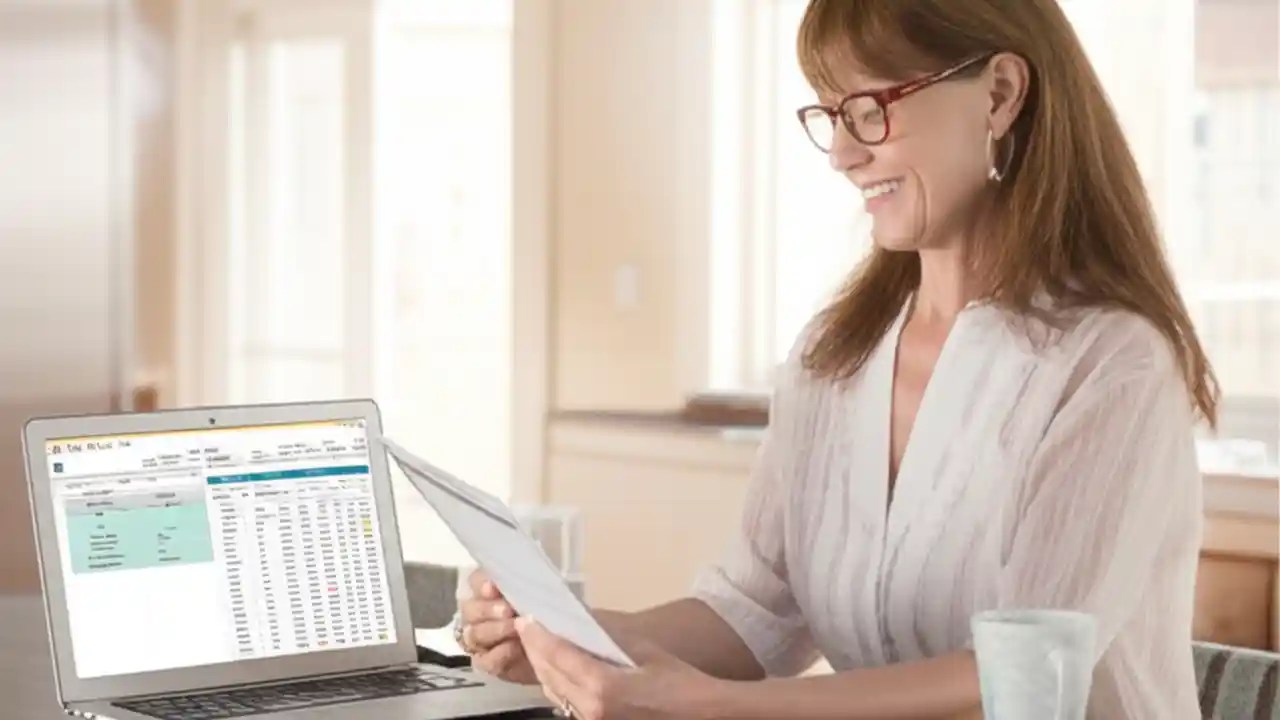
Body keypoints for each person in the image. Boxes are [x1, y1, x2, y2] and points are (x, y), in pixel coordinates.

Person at [454, 0, 1218, 717]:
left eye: (870, 110)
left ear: (1000, 94)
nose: (844, 155)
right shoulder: (833, 358)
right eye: (832, 114)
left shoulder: (1112, 365)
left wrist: (710, 707)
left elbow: (1019, 674)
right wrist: (564, 635)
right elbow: (751, 615)